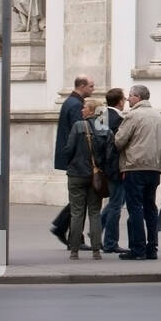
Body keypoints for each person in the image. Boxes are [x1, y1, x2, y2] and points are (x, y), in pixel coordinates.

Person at [114, 85, 161, 260]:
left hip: (135, 166)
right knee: (150, 208)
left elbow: (119, 141)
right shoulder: (160, 117)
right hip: (155, 168)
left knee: (135, 208)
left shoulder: (133, 115)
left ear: (138, 97)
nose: (128, 99)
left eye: (130, 96)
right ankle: (152, 248)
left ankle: (138, 249)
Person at [61, 98, 117, 260]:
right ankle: (96, 251)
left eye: (85, 107)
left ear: (92, 110)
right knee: (95, 213)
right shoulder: (106, 130)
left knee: (77, 213)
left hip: (76, 174)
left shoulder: (78, 126)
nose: (82, 110)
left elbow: (69, 149)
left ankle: (74, 251)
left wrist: (72, 162)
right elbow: (109, 156)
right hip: (96, 177)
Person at [51, 74, 95, 247]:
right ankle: (73, 236)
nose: (92, 89)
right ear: (82, 86)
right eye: (91, 86)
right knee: (80, 200)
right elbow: (81, 133)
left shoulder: (69, 102)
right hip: (78, 159)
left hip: (72, 158)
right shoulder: (77, 105)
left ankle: (61, 226)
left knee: (78, 198)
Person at [98, 87, 128, 253]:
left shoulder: (101, 117)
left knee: (115, 203)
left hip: (105, 167)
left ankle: (96, 229)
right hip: (116, 168)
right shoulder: (118, 120)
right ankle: (110, 242)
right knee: (116, 205)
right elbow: (118, 146)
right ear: (120, 101)